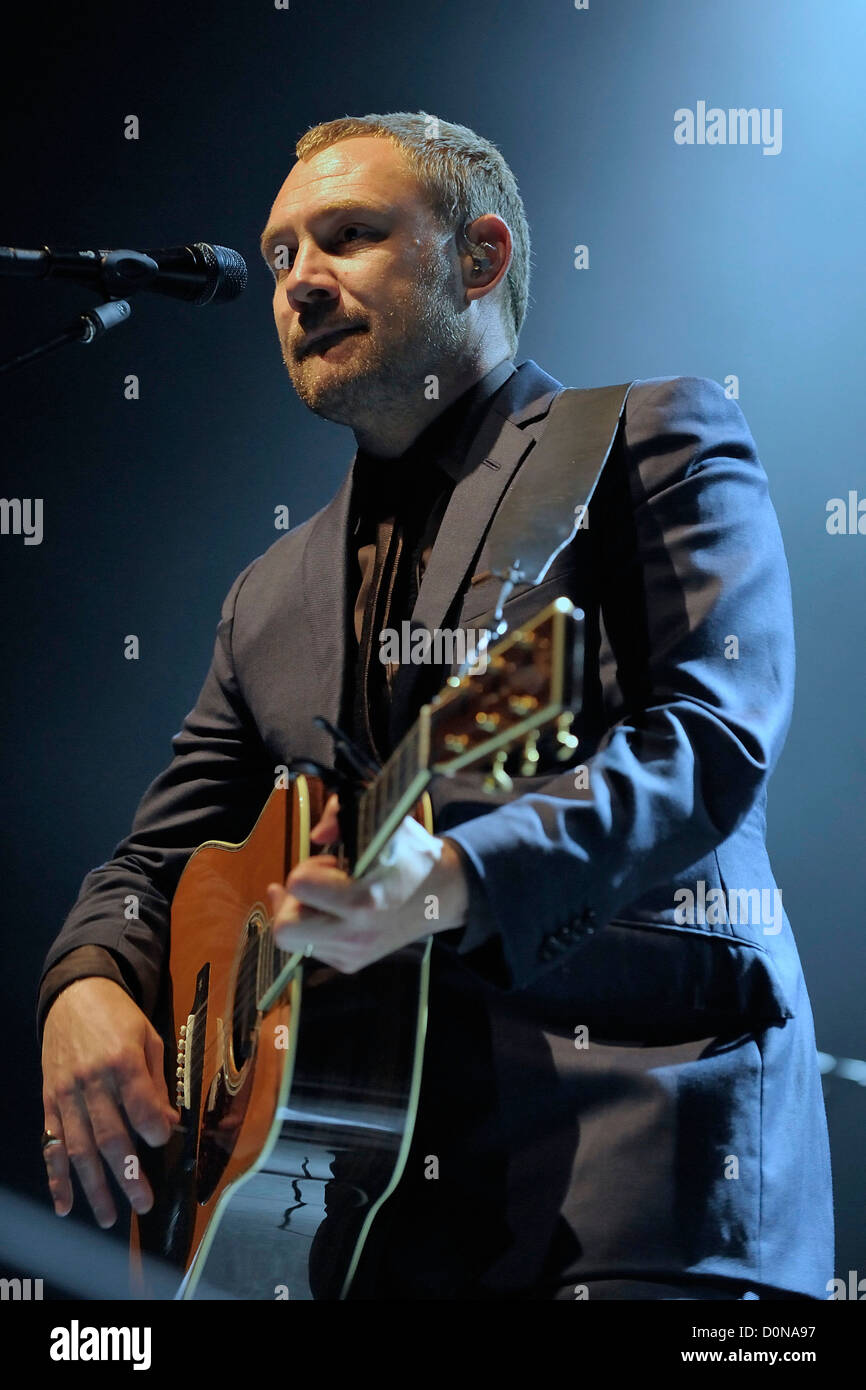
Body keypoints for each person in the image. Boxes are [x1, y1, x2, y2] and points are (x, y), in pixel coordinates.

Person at [38, 111, 833, 1301]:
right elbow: (152, 860)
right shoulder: (266, 597)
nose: (299, 281)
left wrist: (455, 878)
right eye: (278, 256)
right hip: (361, 1234)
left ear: (481, 258)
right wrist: (85, 983)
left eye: (348, 235)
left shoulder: (641, 440)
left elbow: (709, 740)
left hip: (633, 1161)